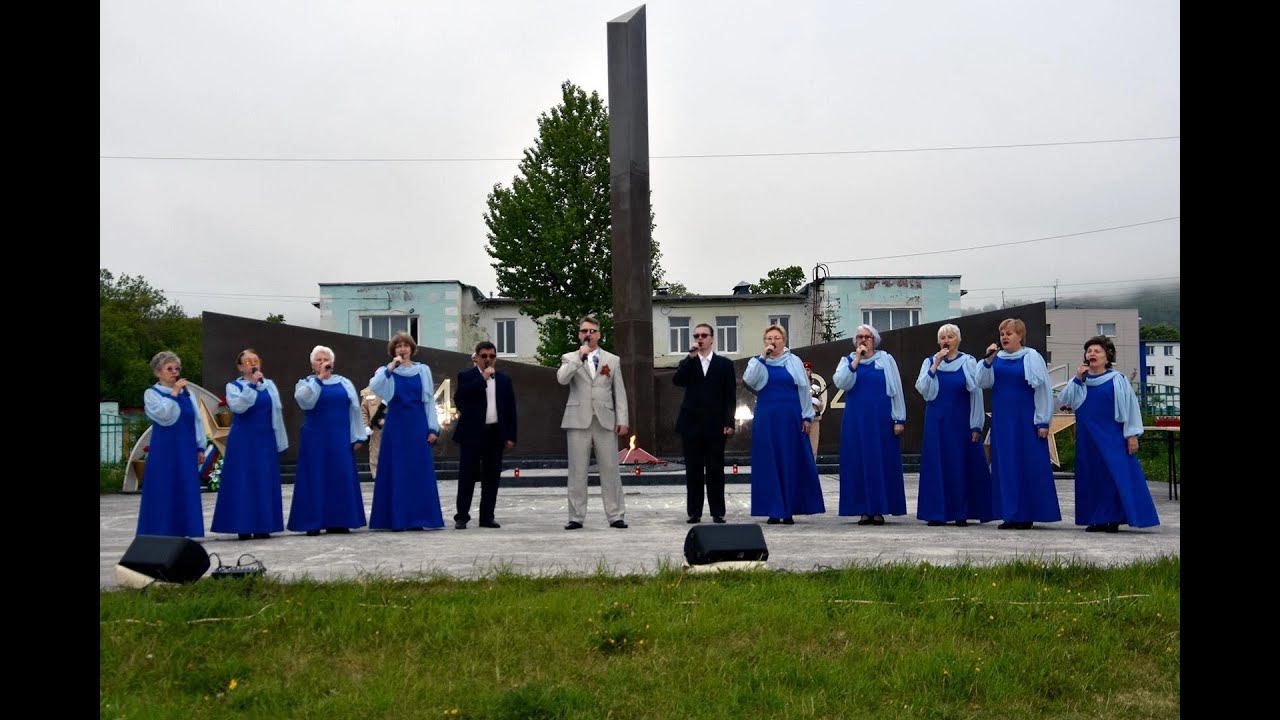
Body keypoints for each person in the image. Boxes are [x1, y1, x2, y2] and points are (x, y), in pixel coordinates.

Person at [1057, 335, 1160, 532]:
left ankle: (1113, 519)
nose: (1092, 354)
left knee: (1113, 476)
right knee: (1091, 476)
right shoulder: (1081, 381)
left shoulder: (1117, 380)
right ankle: (1096, 518)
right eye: (1089, 351)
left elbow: (1130, 407)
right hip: (1087, 438)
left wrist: (1132, 435)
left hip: (1112, 437)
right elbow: (1066, 400)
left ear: (1107, 356)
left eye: (1097, 351)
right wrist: (1077, 378)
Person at [977, 318, 1061, 529]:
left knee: (1028, 465)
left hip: (1026, 420)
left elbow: (1042, 390)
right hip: (1003, 422)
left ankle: (1027, 514)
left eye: (1009, 333)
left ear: (1020, 336)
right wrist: (987, 360)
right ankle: (1010, 514)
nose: (1004, 337)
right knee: (1005, 466)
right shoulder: (995, 358)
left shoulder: (1031, 357)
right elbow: (980, 382)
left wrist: (1043, 421)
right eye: (1002, 334)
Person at [913, 324, 994, 527]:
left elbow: (976, 393)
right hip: (936, 422)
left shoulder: (968, 361)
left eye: (950, 337)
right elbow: (923, 389)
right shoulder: (929, 362)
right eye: (942, 337)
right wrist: (935, 364)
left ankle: (961, 512)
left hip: (960, 422)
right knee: (937, 465)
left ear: (958, 340)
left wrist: (976, 425)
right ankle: (936, 513)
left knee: (959, 465)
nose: (946, 340)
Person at [743, 324, 825, 524]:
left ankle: (788, 509)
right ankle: (773, 509)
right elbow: (749, 380)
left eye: (776, 338)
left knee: (789, 461)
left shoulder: (793, 361)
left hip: (790, 418)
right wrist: (763, 358)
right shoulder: (757, 362)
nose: (772, 341)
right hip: (767, 419)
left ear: (784, 341)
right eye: (769, 338)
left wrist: (807, 416)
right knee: (769, 462)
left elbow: (803, 389)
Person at [557, 316, 629, 530]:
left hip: (605, 420)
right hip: (578, 419)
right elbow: (562, 379)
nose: (588, 334)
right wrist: (579, 357)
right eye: (584, 331)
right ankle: (576, 516)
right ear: (579, 335)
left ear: (599, 334)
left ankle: (615, 515)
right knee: (577, 471)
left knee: (610, 469)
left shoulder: (612, 359)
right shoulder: (569, 357)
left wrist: (622, 419)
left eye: (592, 331)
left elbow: (620, 391)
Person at [287, 345, 368, 536]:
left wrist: (358, 435)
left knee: (340, 476)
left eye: (326, 359)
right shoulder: (306, 383)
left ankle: (340, 521)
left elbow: (354, 410)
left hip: (340, 438)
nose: (323, 362)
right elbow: (305, 402)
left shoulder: (345, 383)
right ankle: (312, 522)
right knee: (315, 477)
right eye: (319, 360)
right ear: (312, 365)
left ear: (333, 363)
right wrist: (320, 379)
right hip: (315, 439)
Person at [368, 332, 444, 531]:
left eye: (406, 345)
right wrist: (391, 368)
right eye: (398, 346)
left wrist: (433, 428)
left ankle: (418, 518)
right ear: (393, 350)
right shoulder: (387, 371)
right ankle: (397, 518)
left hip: (417, 425)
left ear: (412, 348)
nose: (402, 349)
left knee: (417, 471)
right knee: (397, 470)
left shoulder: (423, 370)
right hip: (396, 427)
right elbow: (374, 386)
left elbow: (428, 401)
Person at [832, 324, 906, 526]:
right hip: (856, 421)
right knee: (858, 462)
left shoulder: (886, 360)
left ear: (874, 340)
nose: (863, 340)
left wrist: (899, 418)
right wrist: (856, 360)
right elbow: (841, 382)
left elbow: (896, 389)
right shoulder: (847, 361)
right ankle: (863, 509)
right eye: (859, 337)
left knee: (879, 462)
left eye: (867, 336)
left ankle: (879, 508)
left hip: (881, 420)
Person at [210, 349, 287, 540]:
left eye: (255, 360)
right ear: (239, 367)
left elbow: (276, 412)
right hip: (243, 439)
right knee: (243, 480)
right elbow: (238, 407)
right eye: (247, 361)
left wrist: (279, 438)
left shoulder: (269, 385)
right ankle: (242, 525)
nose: (253, 364)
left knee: (263, 479)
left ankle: (263, 525)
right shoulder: (233, 386)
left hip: (265, 437)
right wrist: (251, 385)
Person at [136, 351, 206, 537]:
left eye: (177, 368)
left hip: (186, 448)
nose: (175, 372)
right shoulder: (152, 393)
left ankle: (186, 530)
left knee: (185, 487)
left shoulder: (188, 394)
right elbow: (164, 416)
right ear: (158, 373)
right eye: (169, 369)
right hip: (165, 451)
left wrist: (200, 446)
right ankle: (161, 530)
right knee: (164, 487)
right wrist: (174, 393)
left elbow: (196, 421)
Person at [673, 322, 736, 524]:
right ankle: (694, 512)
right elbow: (678, 380)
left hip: (716, 425)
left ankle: (718, 512)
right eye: (696, 336)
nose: (699, 339)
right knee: (693, 470)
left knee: (715, 470)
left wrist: (729, 422)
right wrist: (689, 358)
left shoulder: (724, 364)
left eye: (703, 335)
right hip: (691, 425)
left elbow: (730, 396)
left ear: (712, 339)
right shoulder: (689, 362)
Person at [453, 341, 517, 529]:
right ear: (477, 357)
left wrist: (511, 435)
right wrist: (483, 378)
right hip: (471, 433)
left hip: (495, 433)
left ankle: (487, 516)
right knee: (467, 475)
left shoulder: (504, 380)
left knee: (492, 477)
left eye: (492, 356)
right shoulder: (466, 376)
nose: (488, 359)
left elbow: (510, 409)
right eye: (484, 356)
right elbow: (460, 399)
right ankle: (462, 516)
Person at [359, 386, 386, 480]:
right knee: (376, 455)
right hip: (376, 431)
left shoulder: (394, 386)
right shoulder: (368, 391)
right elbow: (363, 412)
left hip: (393, 429)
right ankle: (377, 479)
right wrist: (365, 426)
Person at [804, 362, 825, 461]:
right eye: (804, 370)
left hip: (814, 419)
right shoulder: (798, 387)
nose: (806, 372)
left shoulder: (816, 389)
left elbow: (821, 406)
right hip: (802, 420)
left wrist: (816, 402)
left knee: (813, 447)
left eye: (808, 370)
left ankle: (813, 466)